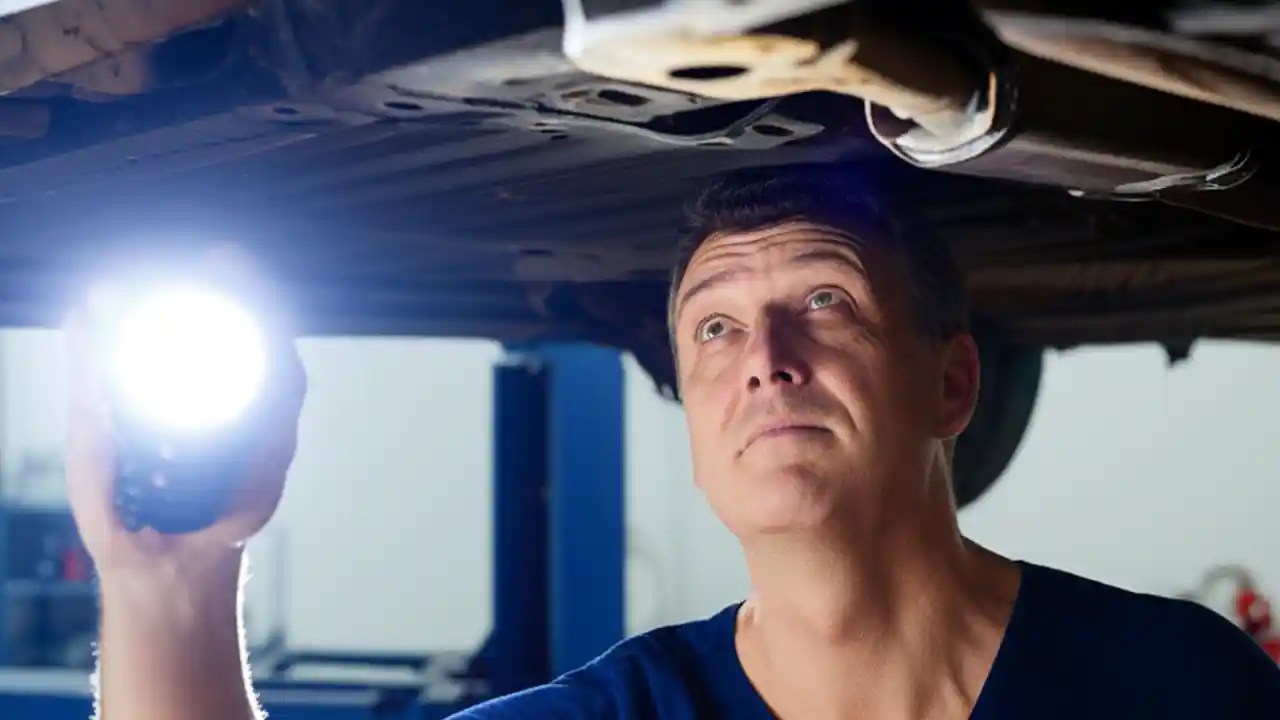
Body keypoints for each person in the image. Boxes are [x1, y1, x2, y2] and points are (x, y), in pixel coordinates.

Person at [65, 166, 1280, 720]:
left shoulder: (1180, 684)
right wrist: (170, 582)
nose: (761, 357)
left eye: (822, 301)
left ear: (951, 382)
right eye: (711, 328)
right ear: (694, 423)